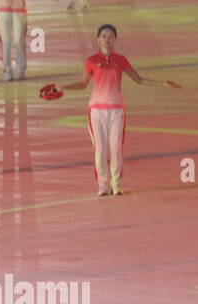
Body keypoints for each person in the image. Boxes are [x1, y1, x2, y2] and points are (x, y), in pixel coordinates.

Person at [53, 23, 180, 196]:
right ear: (98, 40)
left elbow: (139, 80)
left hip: (117, 110)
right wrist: (63, 87)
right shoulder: (91, 61)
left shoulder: (121, 60)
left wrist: (162, 83)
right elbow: (82, 84)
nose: (107, 39)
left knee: (116, 149)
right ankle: (102, 185)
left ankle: (116, 184)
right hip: (96, 110)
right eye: (104, 36)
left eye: (110, 36)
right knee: (101, 149)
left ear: (115, 40)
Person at [0, 0, 26, 81]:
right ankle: (7, 70)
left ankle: (20, 69)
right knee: (6, 42)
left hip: (19, 9)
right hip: (3, 9)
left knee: (19, 40)